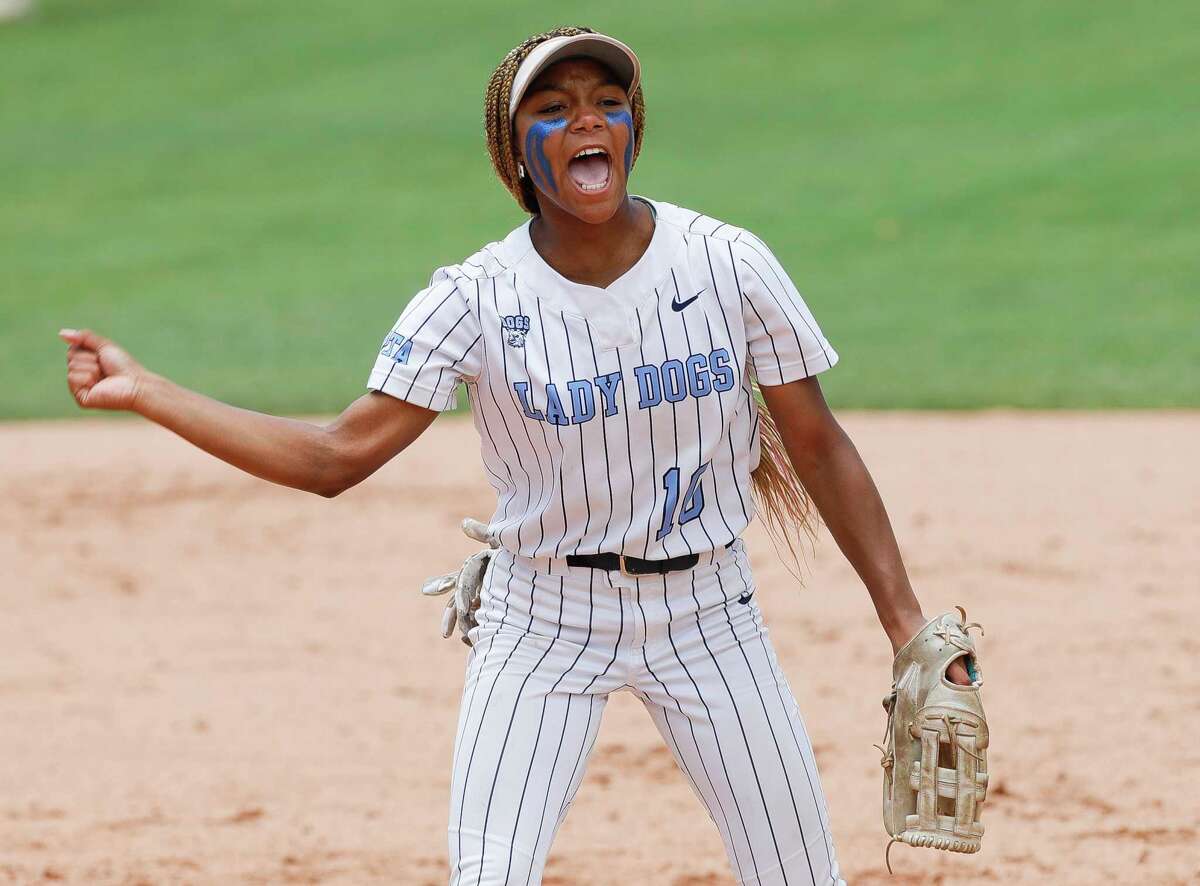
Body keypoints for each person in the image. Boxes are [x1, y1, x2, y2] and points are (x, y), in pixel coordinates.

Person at [60, 26, 970, 886]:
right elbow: (335, 457)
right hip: (543, 622)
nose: (585, 120)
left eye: (606, 101)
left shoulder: (726, 263)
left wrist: (907, 627)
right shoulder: (476, 298)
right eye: (553, 107)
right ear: (516, 155)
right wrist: (147, 391)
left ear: (631, 132)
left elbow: (818, 445)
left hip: (709, 615)